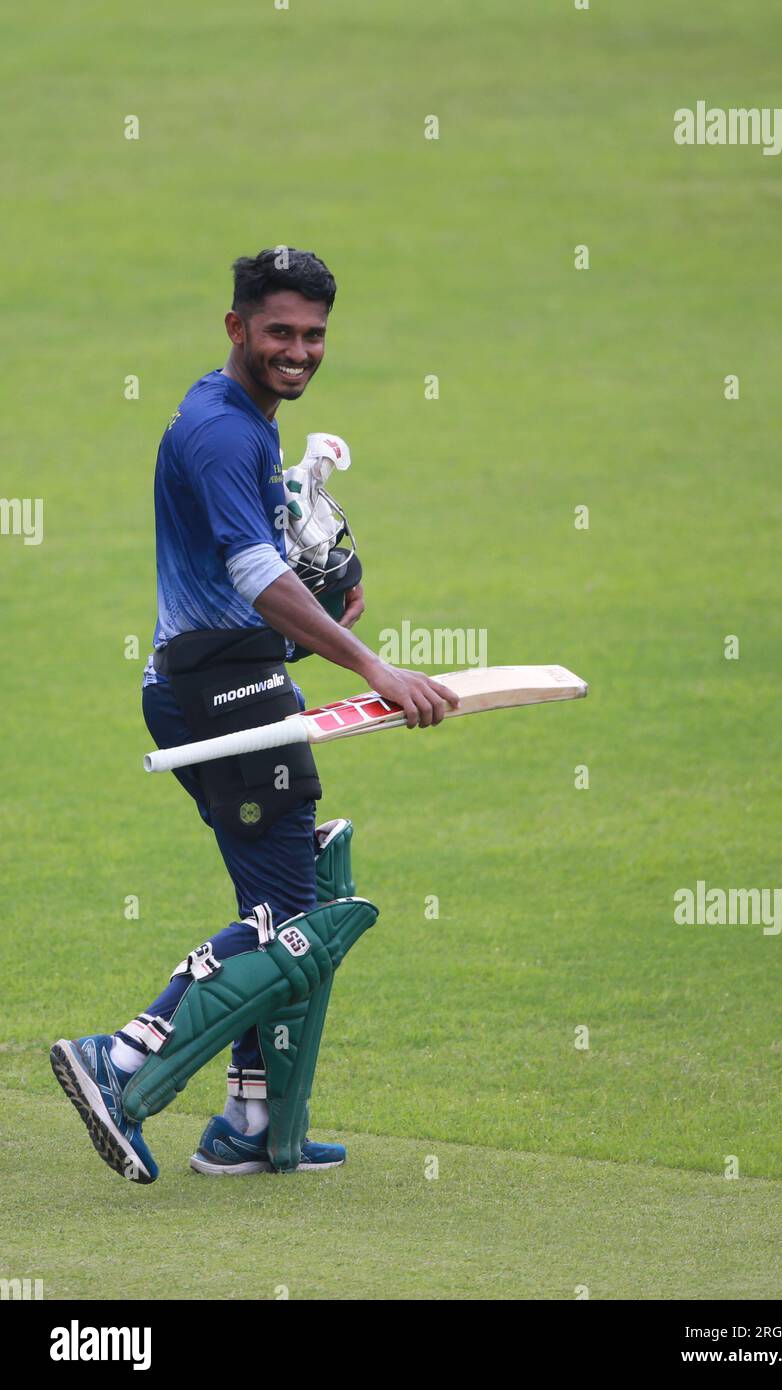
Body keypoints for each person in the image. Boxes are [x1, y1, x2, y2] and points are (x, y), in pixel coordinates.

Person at [51, 247, 458, 1183]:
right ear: (236, 328)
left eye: (314, 335)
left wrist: (322, 611)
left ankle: (248, 1117)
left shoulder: (234, 417)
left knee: (276, 898)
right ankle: (117, 1060)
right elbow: (250, 575)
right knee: (289, 918)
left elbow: (266, 565)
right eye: (279, 331)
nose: (299, 351)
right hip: (223, 690)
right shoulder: (224, 432)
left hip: (218, 675)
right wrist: (370, 665)